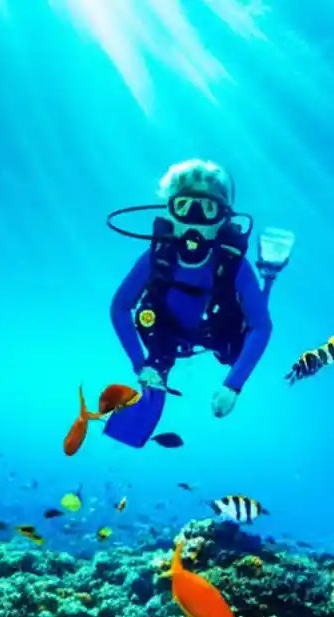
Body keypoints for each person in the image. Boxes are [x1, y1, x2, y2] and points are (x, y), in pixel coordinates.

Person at [105, 159, 292, 445]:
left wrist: (234, 385)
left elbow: (261, 327)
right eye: (184, 207)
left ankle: (269, 277)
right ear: (170, 211)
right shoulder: (157, 257)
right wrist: (141, 365)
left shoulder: (234, 265)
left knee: (237, 348)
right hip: (166, 328)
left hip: (218, 329)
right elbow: (120, 308)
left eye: (207, 209)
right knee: (154, 375)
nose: (193, 220)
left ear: (223, 217)